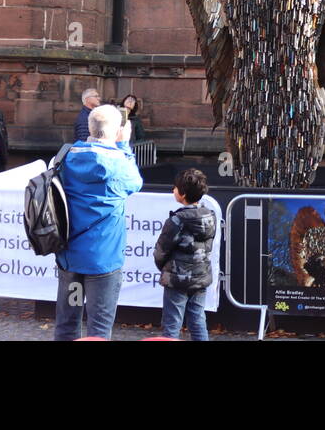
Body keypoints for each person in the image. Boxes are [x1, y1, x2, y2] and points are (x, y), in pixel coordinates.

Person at [55, 104, 143, 340]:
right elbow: (135, 183)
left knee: (66, 325)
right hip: (103, 258)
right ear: (116, 131)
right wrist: (124, 145)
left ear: (89, 128)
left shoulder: (65, 156)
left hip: (70, 254)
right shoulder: (119, 163)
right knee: (99, 330)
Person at [153, 168, 217, 340]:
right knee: (197, 320)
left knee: (172, 323)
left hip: (177, 279)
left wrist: (165, 268)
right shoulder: (210, 216)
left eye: (175, 187)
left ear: (182, 194)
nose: (173, 190)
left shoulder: (176, 220)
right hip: (201, 276)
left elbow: (161, 250)